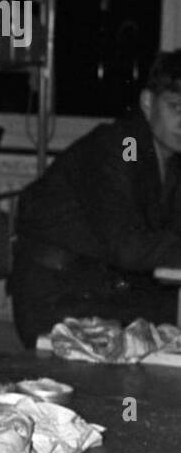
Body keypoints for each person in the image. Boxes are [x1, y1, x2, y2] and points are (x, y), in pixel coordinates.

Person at [10, 49, 181, 346]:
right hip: (59, 295)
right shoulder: (116, 147)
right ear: (147, 102)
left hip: (106, 287)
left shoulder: (171, 159)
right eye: (176, 106)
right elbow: (128, 246)